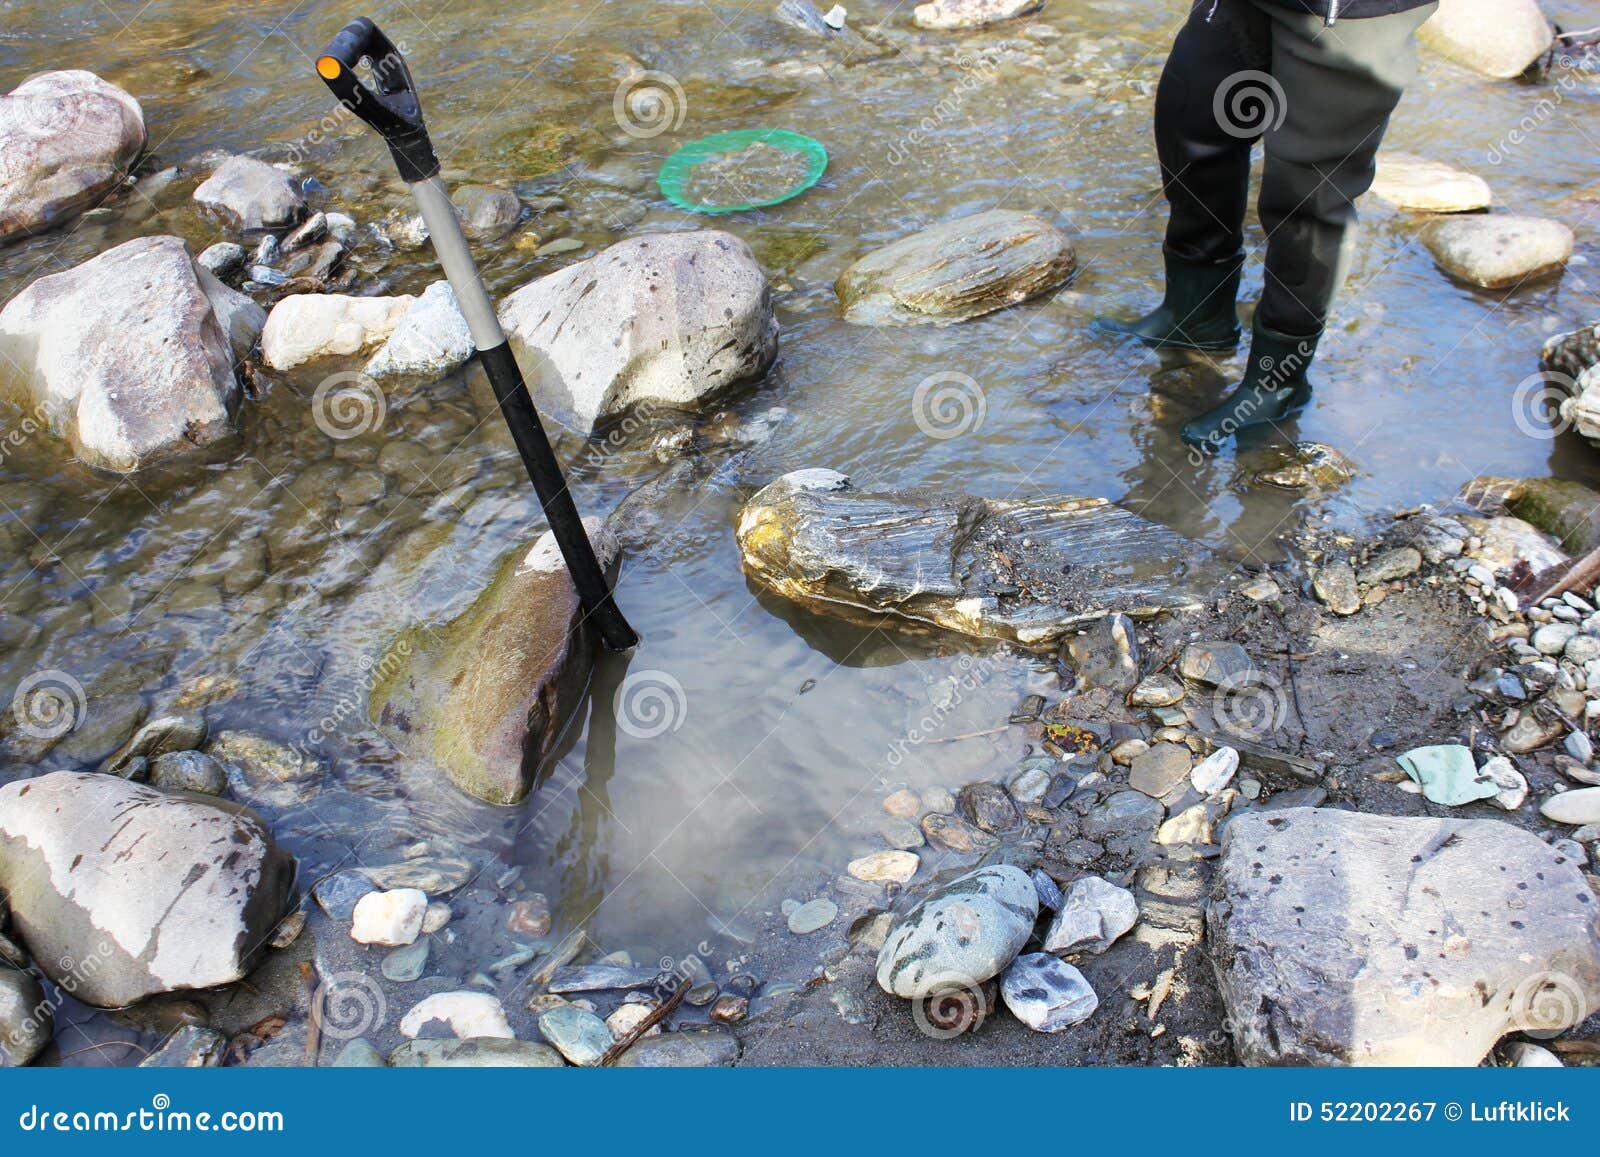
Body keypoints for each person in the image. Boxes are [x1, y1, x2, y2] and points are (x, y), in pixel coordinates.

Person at [1096, 0, 1438, 452]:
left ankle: (1276, 385)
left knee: (1309, 192)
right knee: (1191, 115)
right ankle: (1196, 317)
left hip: (1347, 12)